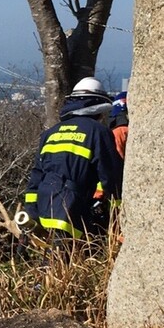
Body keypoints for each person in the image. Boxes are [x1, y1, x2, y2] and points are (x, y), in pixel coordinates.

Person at [18, 77, 124, 238]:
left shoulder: (51, 133)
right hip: (72, 208)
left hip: (43, 206)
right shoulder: (98, 132)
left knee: (48, 258)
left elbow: (36, 176)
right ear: (98, 109)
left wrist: (31, 210)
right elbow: (110, 175)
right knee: (67, 256)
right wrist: (117, 208)